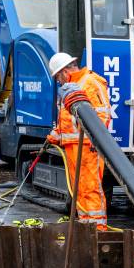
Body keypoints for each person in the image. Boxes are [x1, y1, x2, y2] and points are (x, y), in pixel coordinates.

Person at [46, 52, 112, 229]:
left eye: (57, 77)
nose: (58, 81)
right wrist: (56, 134)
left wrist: (93, 140)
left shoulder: (89, 82)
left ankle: (98, 230)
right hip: (74, 147)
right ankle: (85, 227)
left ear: (64, 72)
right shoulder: (70, 87)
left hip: (88, 146)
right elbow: (68, 119)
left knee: (90, 188)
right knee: (80, 190)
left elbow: (102, 115)